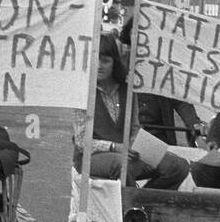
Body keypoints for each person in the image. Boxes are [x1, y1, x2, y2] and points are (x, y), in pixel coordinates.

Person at [72, 33, 189, 189]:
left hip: (126, 152)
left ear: (115, 62)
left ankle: (145, 203)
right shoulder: (83, 92)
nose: (99, 65)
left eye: (105, 61)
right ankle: (132, 208)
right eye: (96, 60)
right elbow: (81, 141)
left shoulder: (127, 90)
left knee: (178, 165)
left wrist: (141, 147)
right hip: (91, 157)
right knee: (122, 166)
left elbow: (134, 128)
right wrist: (115, 147)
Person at [118, 21, 204, 146]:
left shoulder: (163, 70)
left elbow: (180, 101)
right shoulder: (118, 68)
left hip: (161, 140)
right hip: (126, 140)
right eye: (136, 34)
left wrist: (195, 124)